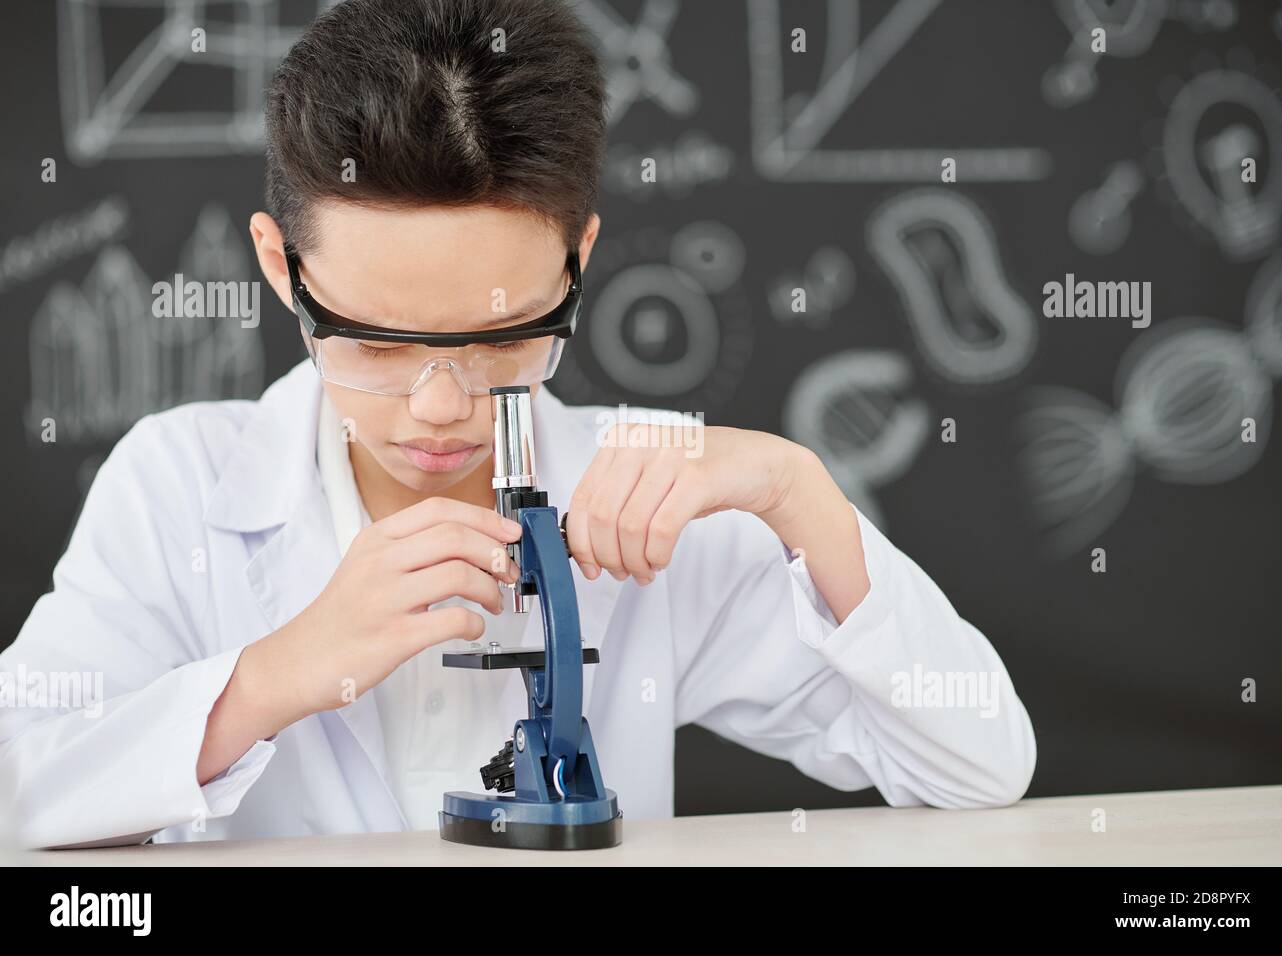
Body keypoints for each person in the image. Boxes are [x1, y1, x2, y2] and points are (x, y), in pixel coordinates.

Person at [0, 0, 1035, 849]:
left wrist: (799, 492)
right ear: (281, 269)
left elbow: (977, 764)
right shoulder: (177, 488)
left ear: (578, 261)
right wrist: (278, 673)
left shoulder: (649, 496)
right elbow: (18, 788)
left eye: (504, 335)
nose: (442, 404)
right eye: (378, 339)